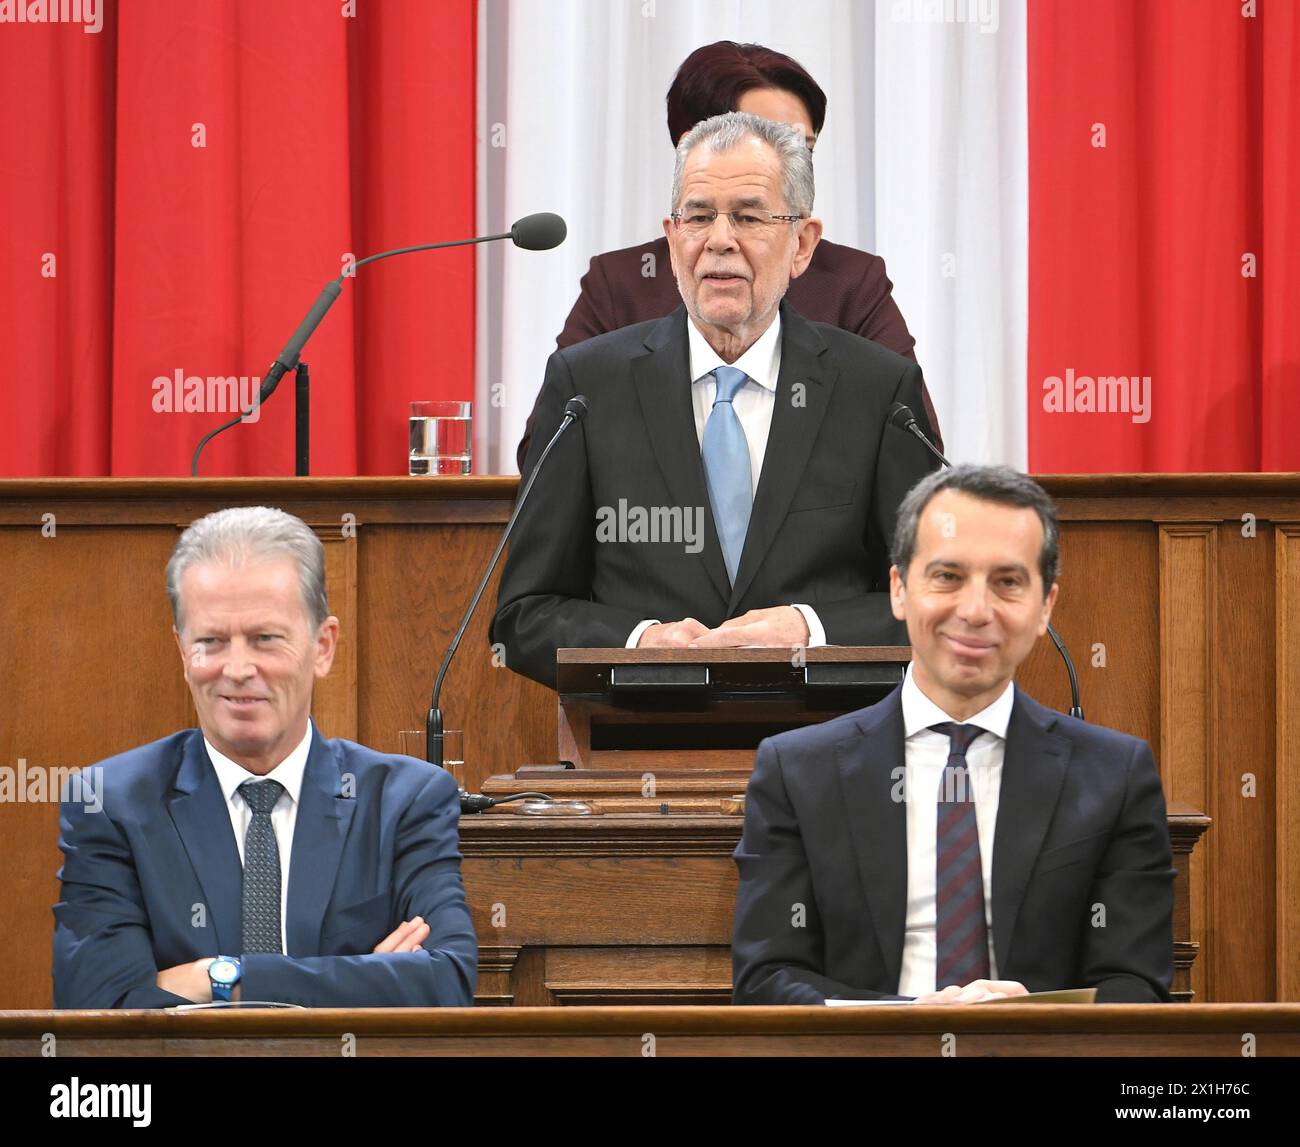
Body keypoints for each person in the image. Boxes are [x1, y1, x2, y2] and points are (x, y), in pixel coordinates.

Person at [490, 112, 938, 688]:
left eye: (749, 216)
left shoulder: (877, 391)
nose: (719, 240)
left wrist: (810, 627)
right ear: (672, 236)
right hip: (636, 747)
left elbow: (932, 600)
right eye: (698, 216)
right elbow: (523, 616)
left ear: (802, 244)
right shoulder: (586, 387)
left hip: (828, 746)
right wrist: (641, 641)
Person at [731, 465, 1176, 1004]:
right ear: (899, 590)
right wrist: (910, 1020)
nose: (974, 611)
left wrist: (1030, 1026)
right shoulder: (797, 771)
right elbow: (768, 981)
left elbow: (1136, 985)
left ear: (1045, 608)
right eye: (947, 577)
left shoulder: (1115, 775)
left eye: (1008, 583)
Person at [53, 507, 477, 1008]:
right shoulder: (110, 801)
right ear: (181, 651)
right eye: (210, 641)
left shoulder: (405, 800)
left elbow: (445, 982)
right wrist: (366, 977)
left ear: (322, 647)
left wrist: (218, 976)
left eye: (264, 639)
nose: (236, 669)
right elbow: (99, 1003)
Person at [516, 39, 938, 471]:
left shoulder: (850, 280)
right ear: (692, 144)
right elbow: (548, 459)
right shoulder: (621, 284)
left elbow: (913, 457)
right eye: (763, 138)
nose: (788, 160)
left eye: (802, 148)